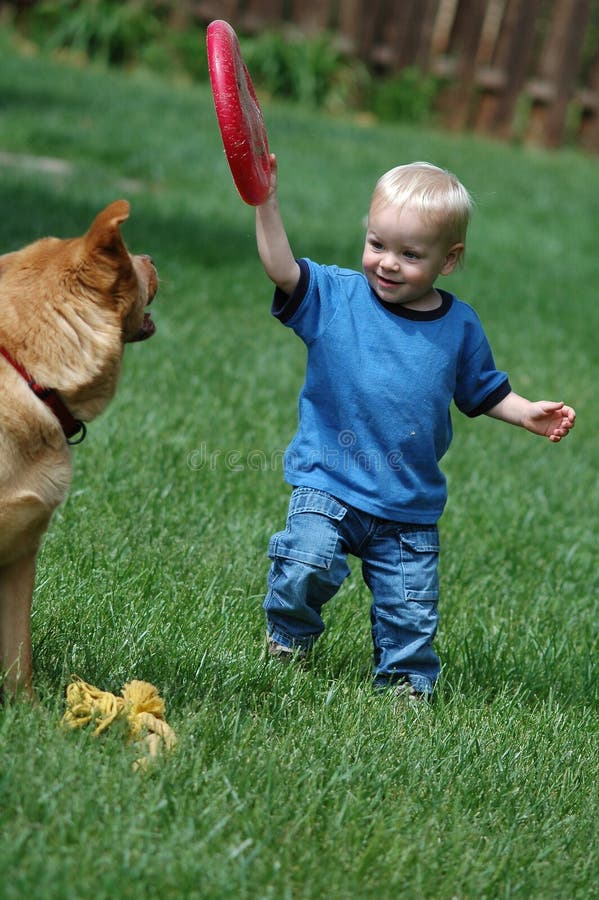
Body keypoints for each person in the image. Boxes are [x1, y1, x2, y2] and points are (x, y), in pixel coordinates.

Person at [255, 155, 575, 700]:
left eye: (410, 254)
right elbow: (282, 269)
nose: (388, 263)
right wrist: (266, 201)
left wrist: (525, 412)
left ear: (448, 259)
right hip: (329, 482)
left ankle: (405, 685)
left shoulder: (459, 326)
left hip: (407, 503)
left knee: (410, 611)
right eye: (377, 244)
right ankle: (287, 640)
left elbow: (483, 390)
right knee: (306, 563)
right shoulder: (336, 297)